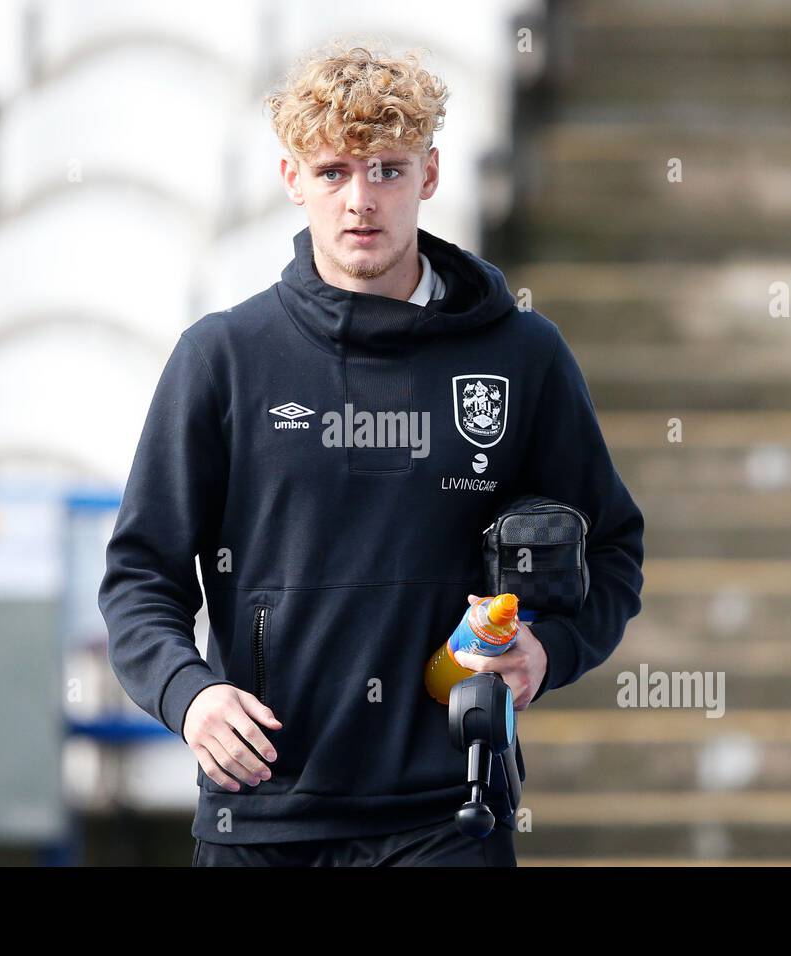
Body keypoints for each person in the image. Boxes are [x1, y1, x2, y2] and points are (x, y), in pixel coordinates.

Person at [98, 43, 645, 867]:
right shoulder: (223, 358)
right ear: (292, 180)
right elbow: (140, 579)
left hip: (451, 816)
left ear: (430, 175)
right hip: (263, 819)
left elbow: (612, 548)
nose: (361, 201)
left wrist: (549, 650)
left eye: (387, 170)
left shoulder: (522, 355)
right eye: (333, 173)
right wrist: (191, 695)